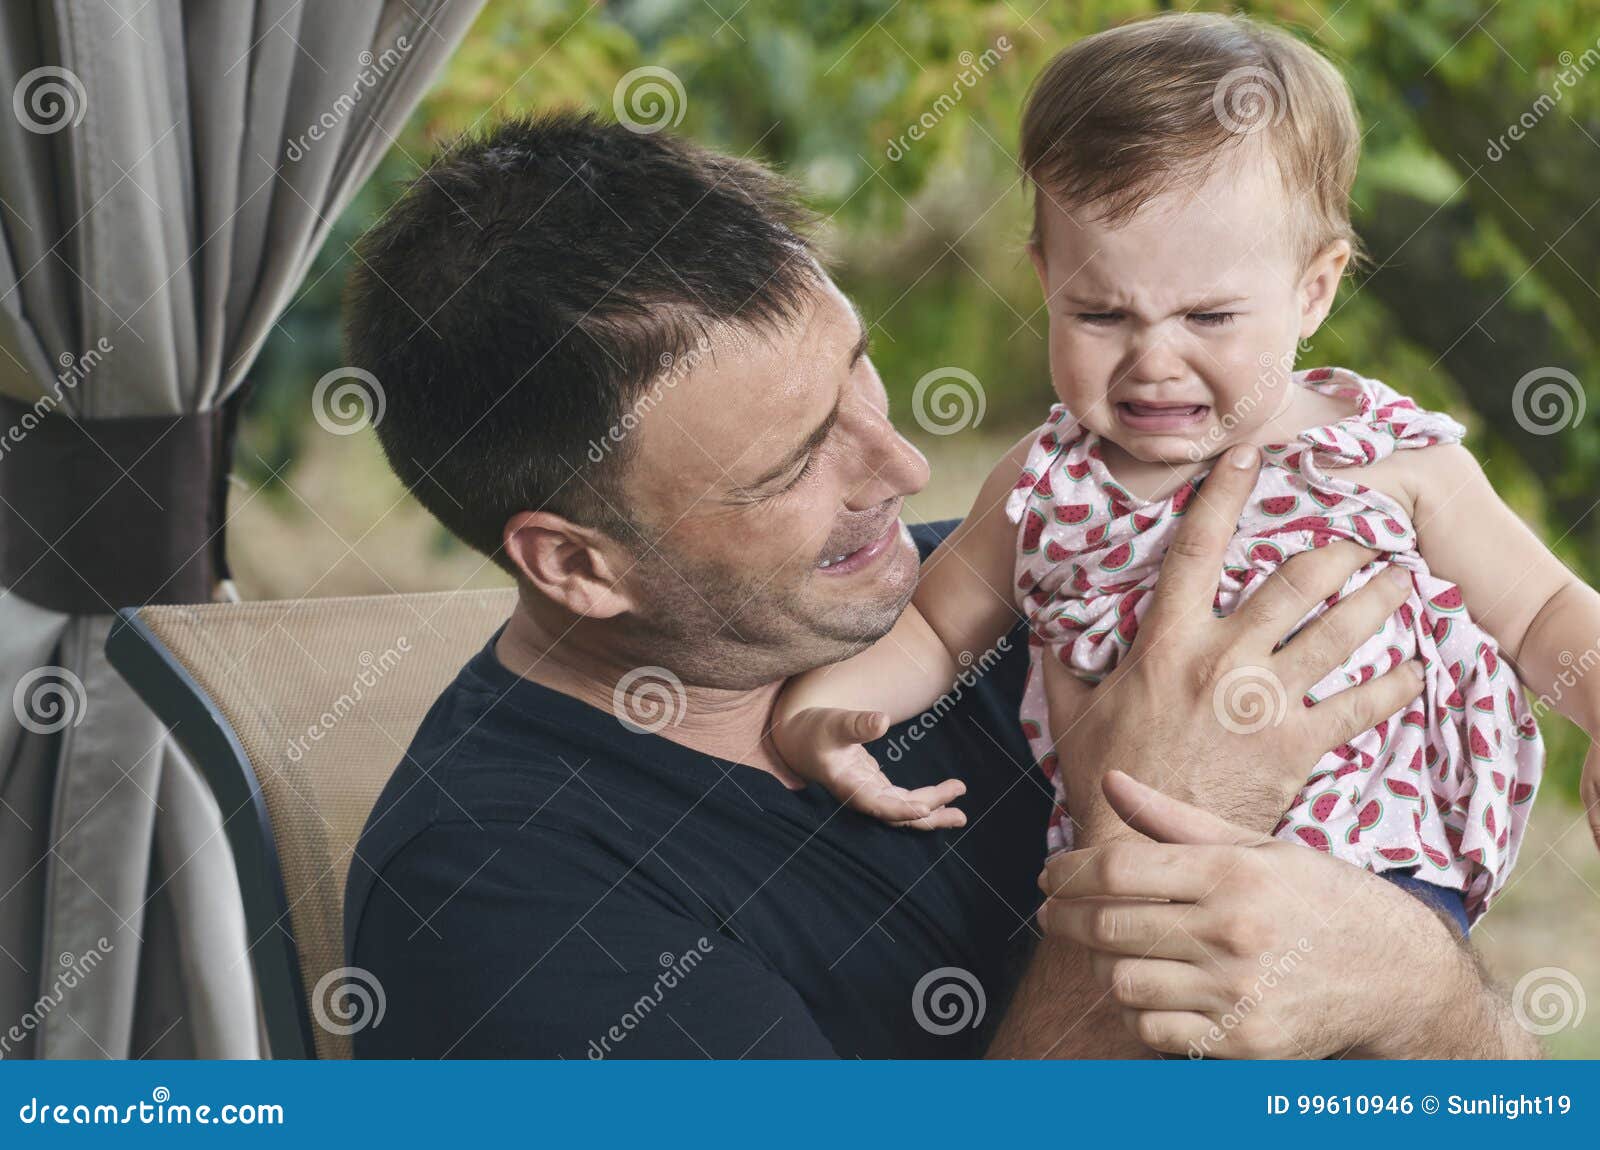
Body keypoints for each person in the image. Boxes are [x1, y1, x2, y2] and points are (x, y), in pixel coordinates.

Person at [340, 108, 1539, 1058]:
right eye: (798, 459)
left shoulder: (1059, 581)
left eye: (861, 372)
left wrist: (1416, 982)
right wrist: (1157, 835)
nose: (904, 464)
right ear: (576, 564)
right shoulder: (509, 905)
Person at [774, 11, 1600, 928]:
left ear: (1313, 291)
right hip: (1140, 874)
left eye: (1209, 319)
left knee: (1357, 1044)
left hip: (1380, 873)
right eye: (1100, 316)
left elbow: (1542, 610)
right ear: (1047, 279)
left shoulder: (1389, 456)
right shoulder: (1047, 481)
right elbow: (935, 629)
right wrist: (830, 711)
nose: (1154, 361)